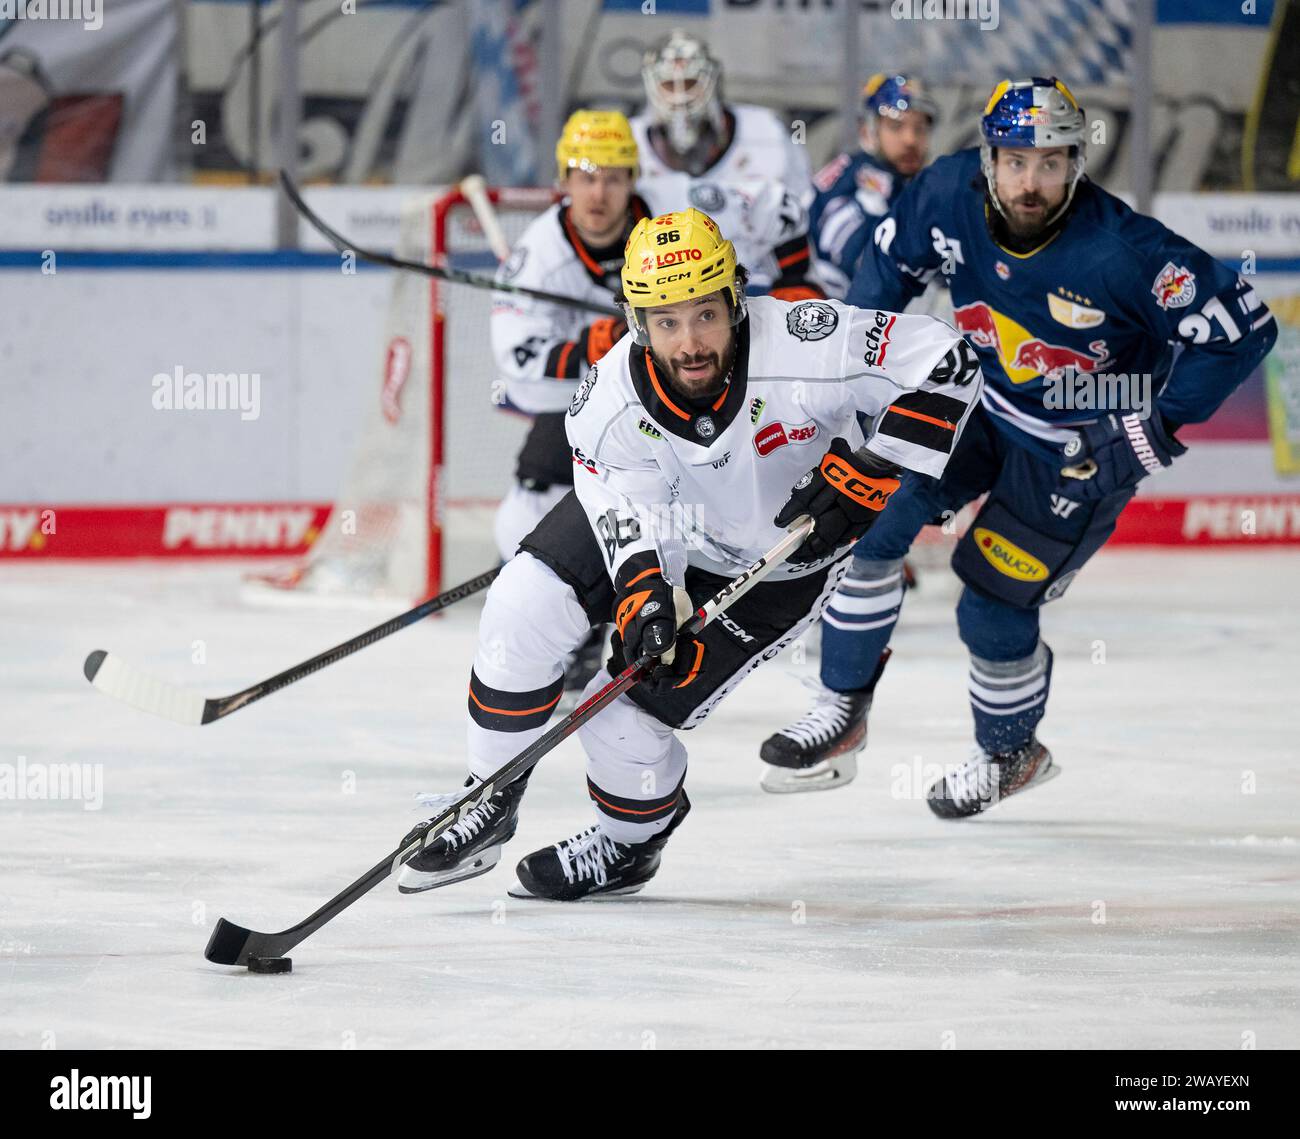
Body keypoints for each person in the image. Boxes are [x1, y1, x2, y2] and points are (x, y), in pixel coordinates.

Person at [399, 206, 981, 898]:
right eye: (667, 321)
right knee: (522, 604)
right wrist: (645, 589)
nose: (690, 341)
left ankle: (627, 846)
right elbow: (620, 505)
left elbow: (950, 360)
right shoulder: (606, 401)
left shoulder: (805, 340)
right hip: (670, 522)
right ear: (638, 323)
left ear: (735, 298)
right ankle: (488, 795)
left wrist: (875, 469)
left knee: (618, 720)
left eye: (705, 313)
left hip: (776, 564)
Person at [760, 77, 1278, 813]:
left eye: (1050, 162)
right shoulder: (943, 193)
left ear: (1076, 164)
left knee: (990, 604)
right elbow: (885, 277)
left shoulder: (1125, 253)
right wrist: (844, 380)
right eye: (1014, 161)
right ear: (988, 159)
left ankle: (1011, 753)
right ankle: (842, 709)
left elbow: (1244, 331)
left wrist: (1149, 428)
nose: (1030, 182)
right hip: (982, 404)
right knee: (868, 517)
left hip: (1076, 448)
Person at [629, 28, 812, 201]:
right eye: (669, 85)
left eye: (690, 83)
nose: (681, 97)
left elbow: (801, 203)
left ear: (712, 81)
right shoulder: (627, 139)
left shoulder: (767, 130)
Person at [809, 74, 936, 299]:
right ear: (868, 130)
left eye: (919, 128)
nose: (910, 140)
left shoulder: (909, 183)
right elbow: (835, 268)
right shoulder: (866, 184)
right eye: (896, 127)